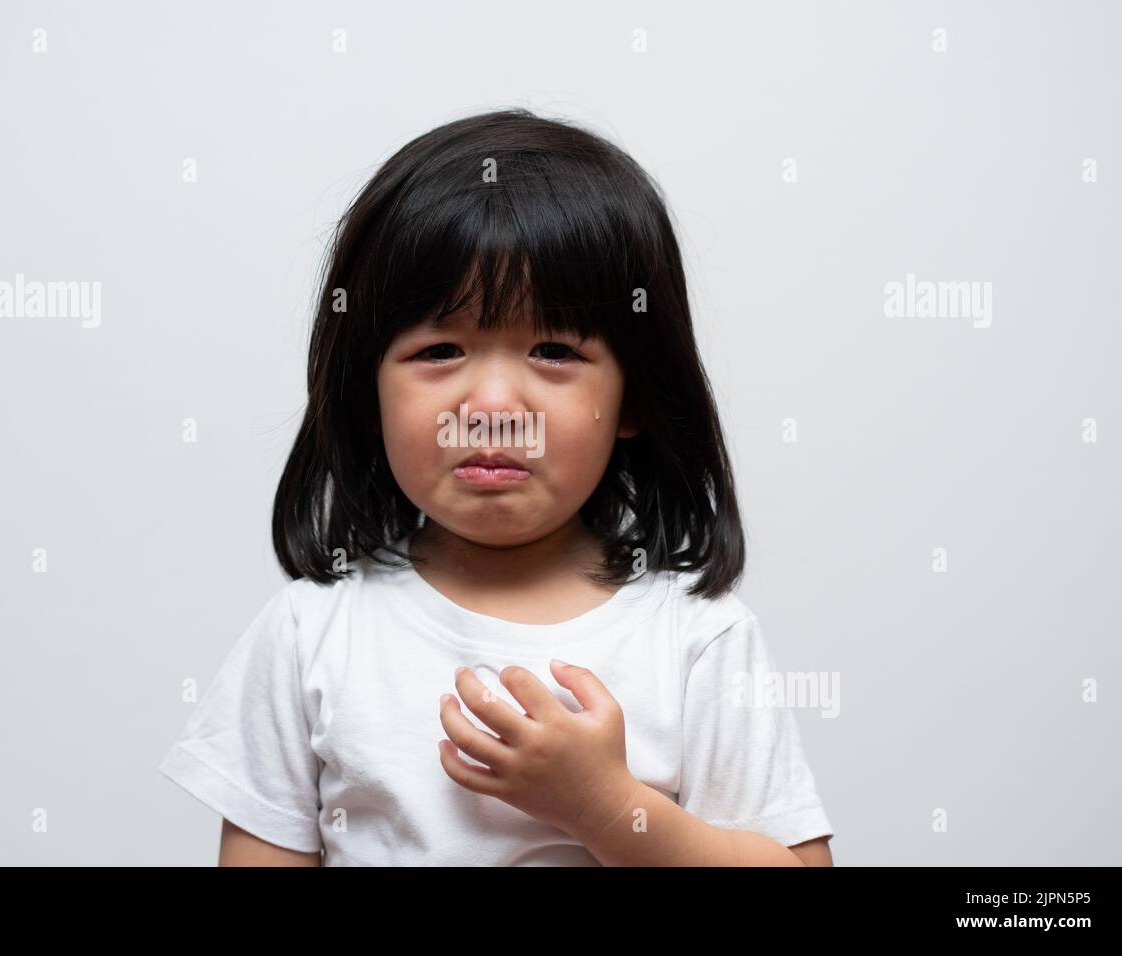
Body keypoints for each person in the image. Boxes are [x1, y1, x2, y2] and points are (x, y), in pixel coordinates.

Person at [157, 108, 835, 866]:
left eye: (553, 350)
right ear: (367, 391)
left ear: (637, 397)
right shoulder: (310, 635)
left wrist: (605, 807)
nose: (492, 409)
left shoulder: (696, 639)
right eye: (441, 349)